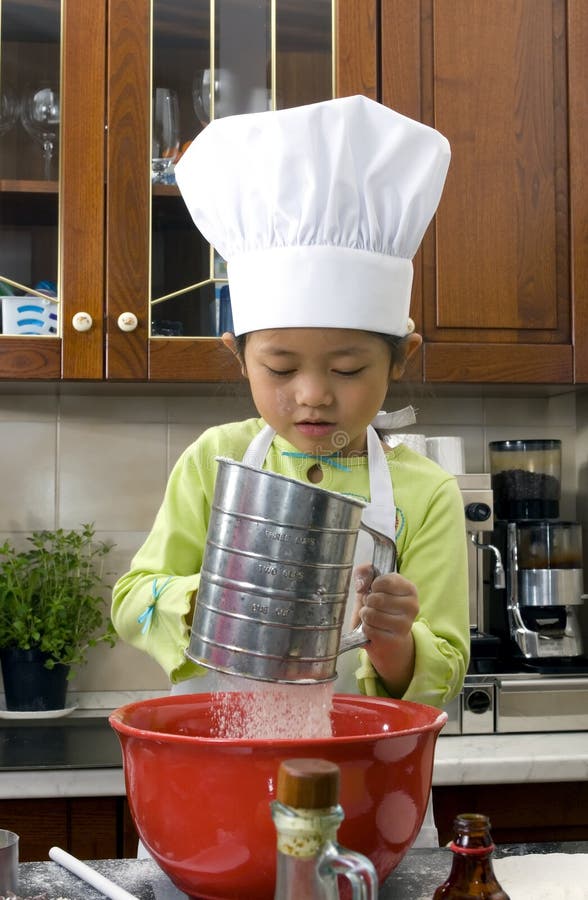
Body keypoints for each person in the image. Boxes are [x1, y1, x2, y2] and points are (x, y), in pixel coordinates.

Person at [112, 95, 468, 726]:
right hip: (222, 762)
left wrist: (394, 645)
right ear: (238, 356)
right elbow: (133, 600)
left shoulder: (428, 491)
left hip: (361, 775)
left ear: (402, 357)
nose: (313, 394)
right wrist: (208, 600)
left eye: (348, 369)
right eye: (280, 368)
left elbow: (443, 666)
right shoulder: (215, 461)